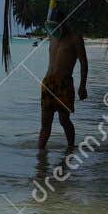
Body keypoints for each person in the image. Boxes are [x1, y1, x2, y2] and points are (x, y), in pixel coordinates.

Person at [38, 20, 89, 152]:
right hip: (48, 83)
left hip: (64, 84)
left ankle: (70, 149)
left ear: (65, 22)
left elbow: (84, 63)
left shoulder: (75, 38)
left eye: (57, 25)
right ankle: (40, 158)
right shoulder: (53, 38)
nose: (55, 28)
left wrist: (82, 86)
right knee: (45, 124)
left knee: (64, 120)